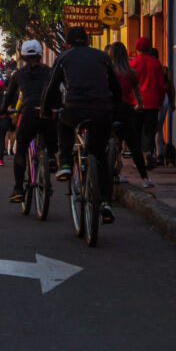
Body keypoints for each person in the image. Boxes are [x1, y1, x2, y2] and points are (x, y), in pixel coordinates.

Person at [41, 26, 122, 223]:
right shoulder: (102, 57)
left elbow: (51, 88)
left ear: (68, 43)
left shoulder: (64, 58)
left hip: (75, 108)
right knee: (99, 156)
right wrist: (115, 111)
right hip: (102, 111)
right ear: (88, 41)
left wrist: (46, 109)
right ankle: (104, 202)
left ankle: (67, 162)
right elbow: (116, 88)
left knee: (64, 123)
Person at [0, 40, 57, 202]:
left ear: (23, 56)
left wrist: (2, 110)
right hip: (47, 113)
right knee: (51, 135)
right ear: (40, 55)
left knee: (21, 149)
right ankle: (52, 157)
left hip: (29, 114)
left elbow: (9, 97)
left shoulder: (18, 74)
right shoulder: (49, 71)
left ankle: (18, 188)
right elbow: (57, 92)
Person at [107, 41, 152, 188]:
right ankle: (145, 178)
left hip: (109, 109)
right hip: (125, 110)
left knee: (108, 141)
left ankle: (115, 173)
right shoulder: (131, 73)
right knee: (134, 146)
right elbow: (138, 95)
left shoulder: (107, 72)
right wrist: (139, 106)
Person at [131, 37, 166, 172]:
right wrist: (161, 101)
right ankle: (148, 153)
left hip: (136, 103)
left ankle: (140, 158)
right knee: (150, 130)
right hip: (152, 102)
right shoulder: (156, 63)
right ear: (149, 48)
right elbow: (161, 85)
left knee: (137, 131)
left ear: (137, 48)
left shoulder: (133, 63)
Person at [149, 47, 176, 164]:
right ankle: (159, 154)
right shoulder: (165, 70)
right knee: (159, 128)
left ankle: (153, 154)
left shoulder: (150, 68)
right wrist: (172, 102)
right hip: (164, 99)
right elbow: (172, 88)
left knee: (151, 128)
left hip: (153, 99)